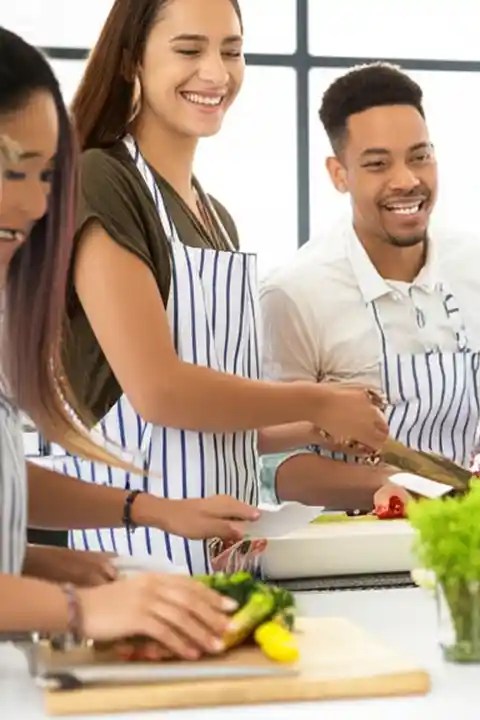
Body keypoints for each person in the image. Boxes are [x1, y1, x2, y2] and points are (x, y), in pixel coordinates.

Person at [36, 0, 389, 576]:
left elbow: (211, 421)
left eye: (231, 50)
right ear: (132, 62)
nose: (217, 73)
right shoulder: (102, 180)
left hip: (223, 551)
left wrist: (313, 428)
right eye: (189, 50)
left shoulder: (216, 217)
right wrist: (316, 398)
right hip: (130, 557)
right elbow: (159, 392)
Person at [1, 24, 243, 661]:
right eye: (10, 169)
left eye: (47, 174)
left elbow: (4, 481)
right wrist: (79, 608)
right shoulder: (117, 184)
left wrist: (147, 512)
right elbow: (159, 388)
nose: (35, 205)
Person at [258, 63, 480, 510]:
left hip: (466, 535)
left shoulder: (478, 266)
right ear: (339, 174)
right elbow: (279, 465)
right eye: (377, 164)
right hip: (346, 549)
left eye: (419, 156)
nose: (407, 180)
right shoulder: (294, 291)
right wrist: (402, 482)